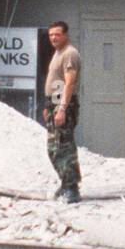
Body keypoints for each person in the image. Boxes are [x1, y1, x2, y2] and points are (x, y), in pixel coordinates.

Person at [42, 20, 82, 203]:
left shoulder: (70, 54)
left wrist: (62, 109)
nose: (53, 38)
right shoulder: (58, 53)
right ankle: (65, 183)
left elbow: (69, 82)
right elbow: (56, 82)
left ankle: (72, 189)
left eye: (57, 34)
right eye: (51, 35)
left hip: (64, 104)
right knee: (54, 149)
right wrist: (48, 106)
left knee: (64, 148)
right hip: (54, 104)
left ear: (66, 35)